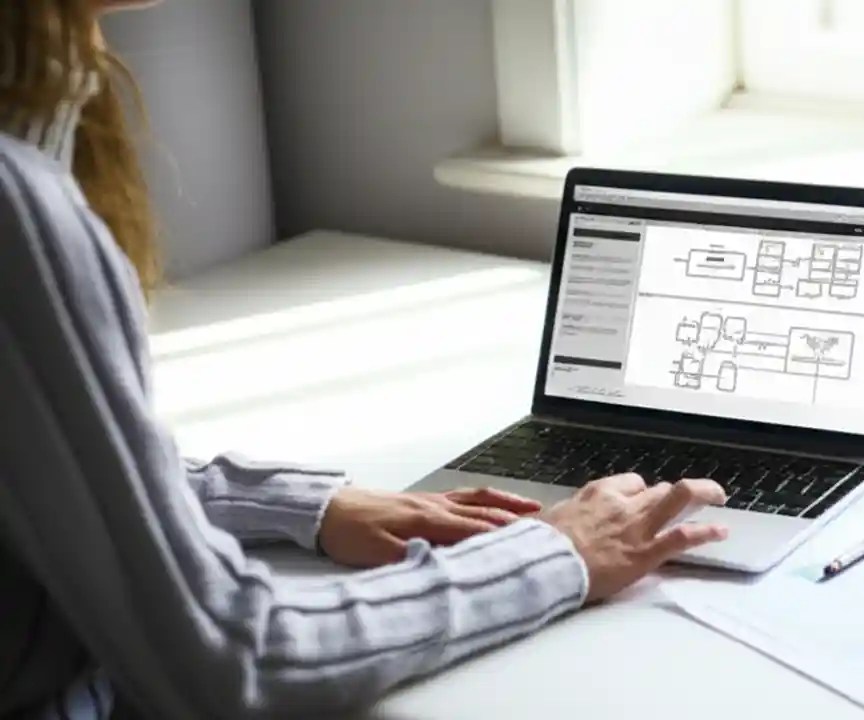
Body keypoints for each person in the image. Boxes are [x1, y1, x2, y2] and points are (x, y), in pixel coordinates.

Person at [0, 1, 730, 718]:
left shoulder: (39, 138)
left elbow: (42, 462)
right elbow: (230, 657)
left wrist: (297, 504)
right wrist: (554, 554)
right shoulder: (17, 207)